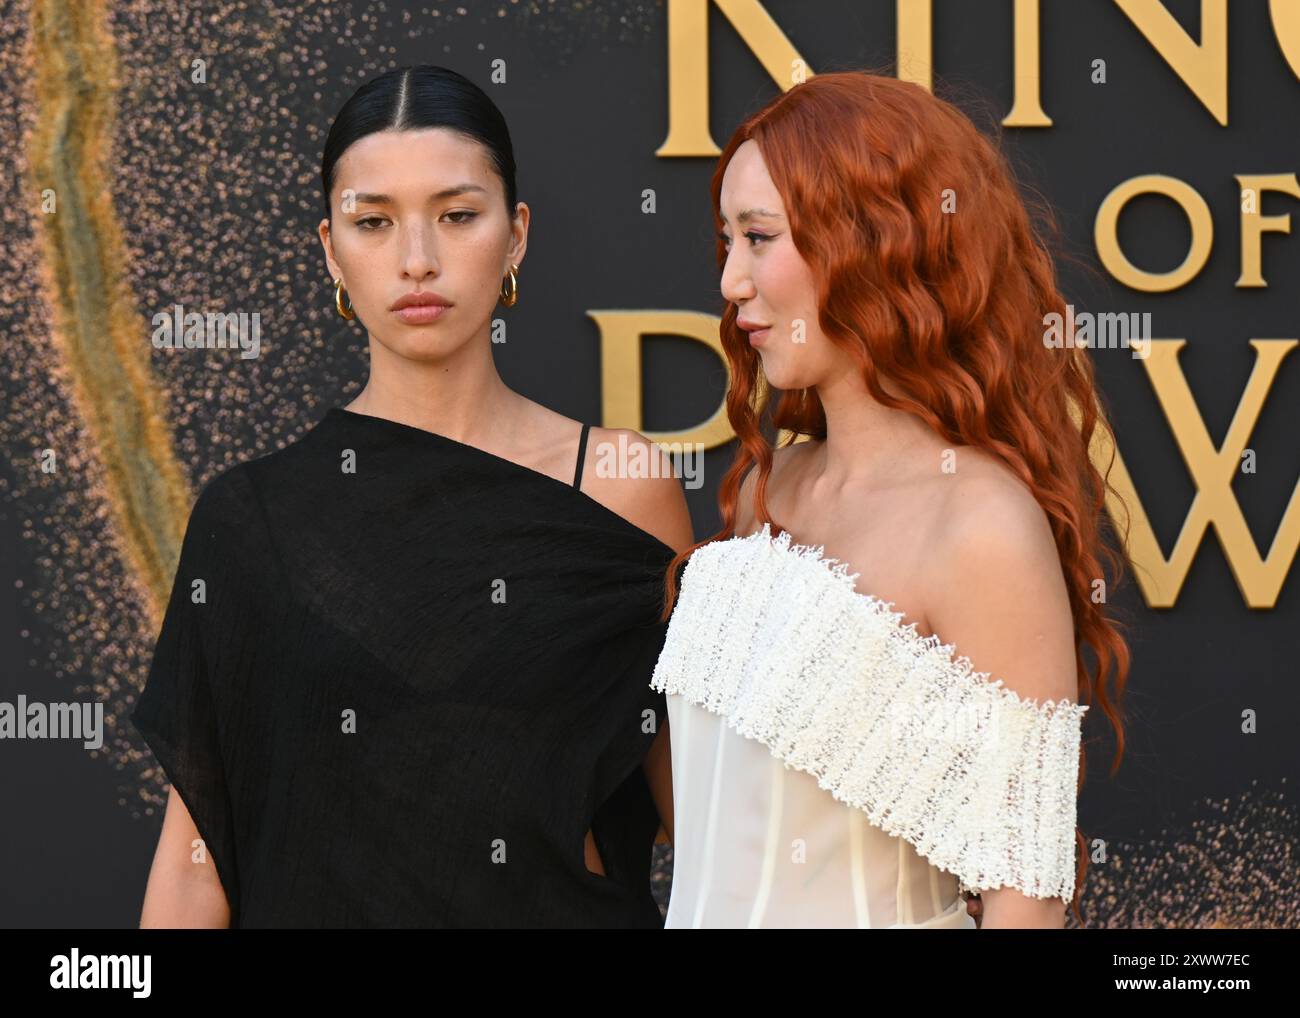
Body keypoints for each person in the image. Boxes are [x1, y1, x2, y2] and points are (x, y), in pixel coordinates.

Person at [131, 64, 693, 928]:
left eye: (459, 215)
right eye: (374, 222)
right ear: (330, 250)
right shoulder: (252, 521)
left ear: (517, 236)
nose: (418, 260)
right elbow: (195, 862)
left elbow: (703, 820)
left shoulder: (620, 488)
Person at [650, 70, 1132, 929]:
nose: (730, 280)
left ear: (873, 241)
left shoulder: (982, 525)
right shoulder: (772, 485)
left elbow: (1025, 900)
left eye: (760, 237)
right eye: (726, 240)